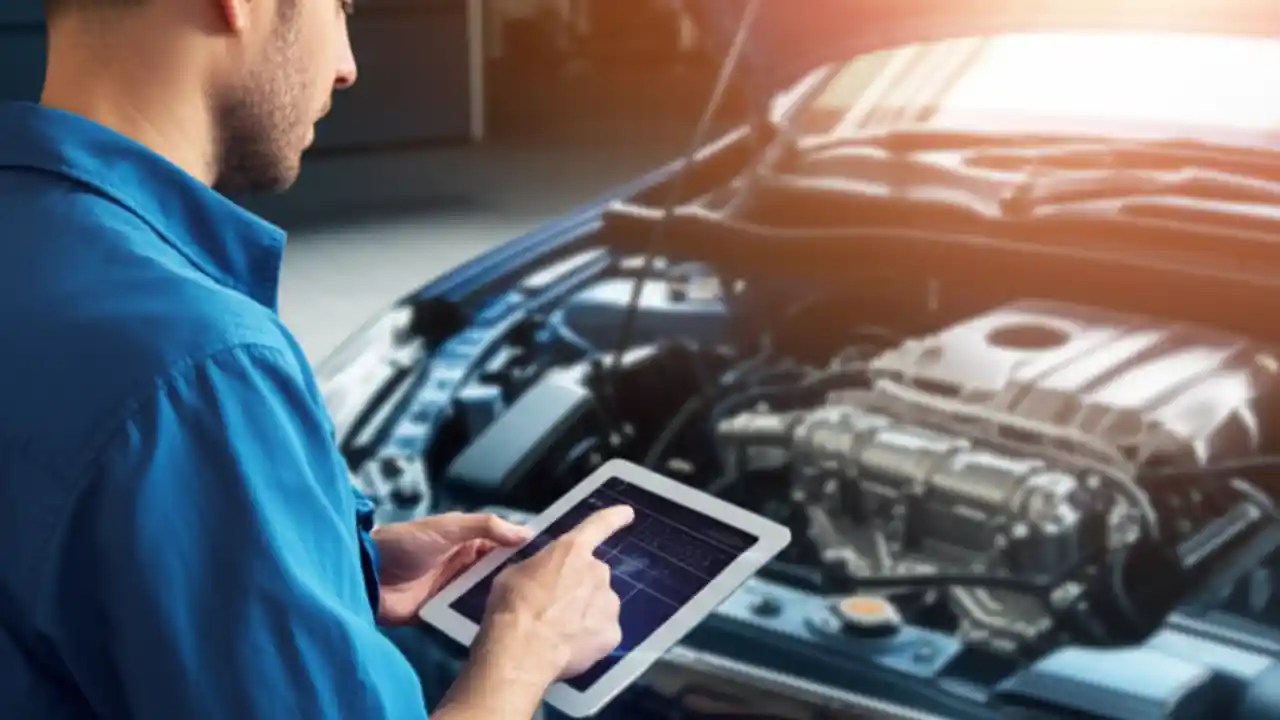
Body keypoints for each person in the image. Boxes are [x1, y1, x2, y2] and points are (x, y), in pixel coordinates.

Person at [0, 0, 629, 718]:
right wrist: (526, 645)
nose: (347, 65)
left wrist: (333, 557)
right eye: (339, 8)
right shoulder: (202, 368)